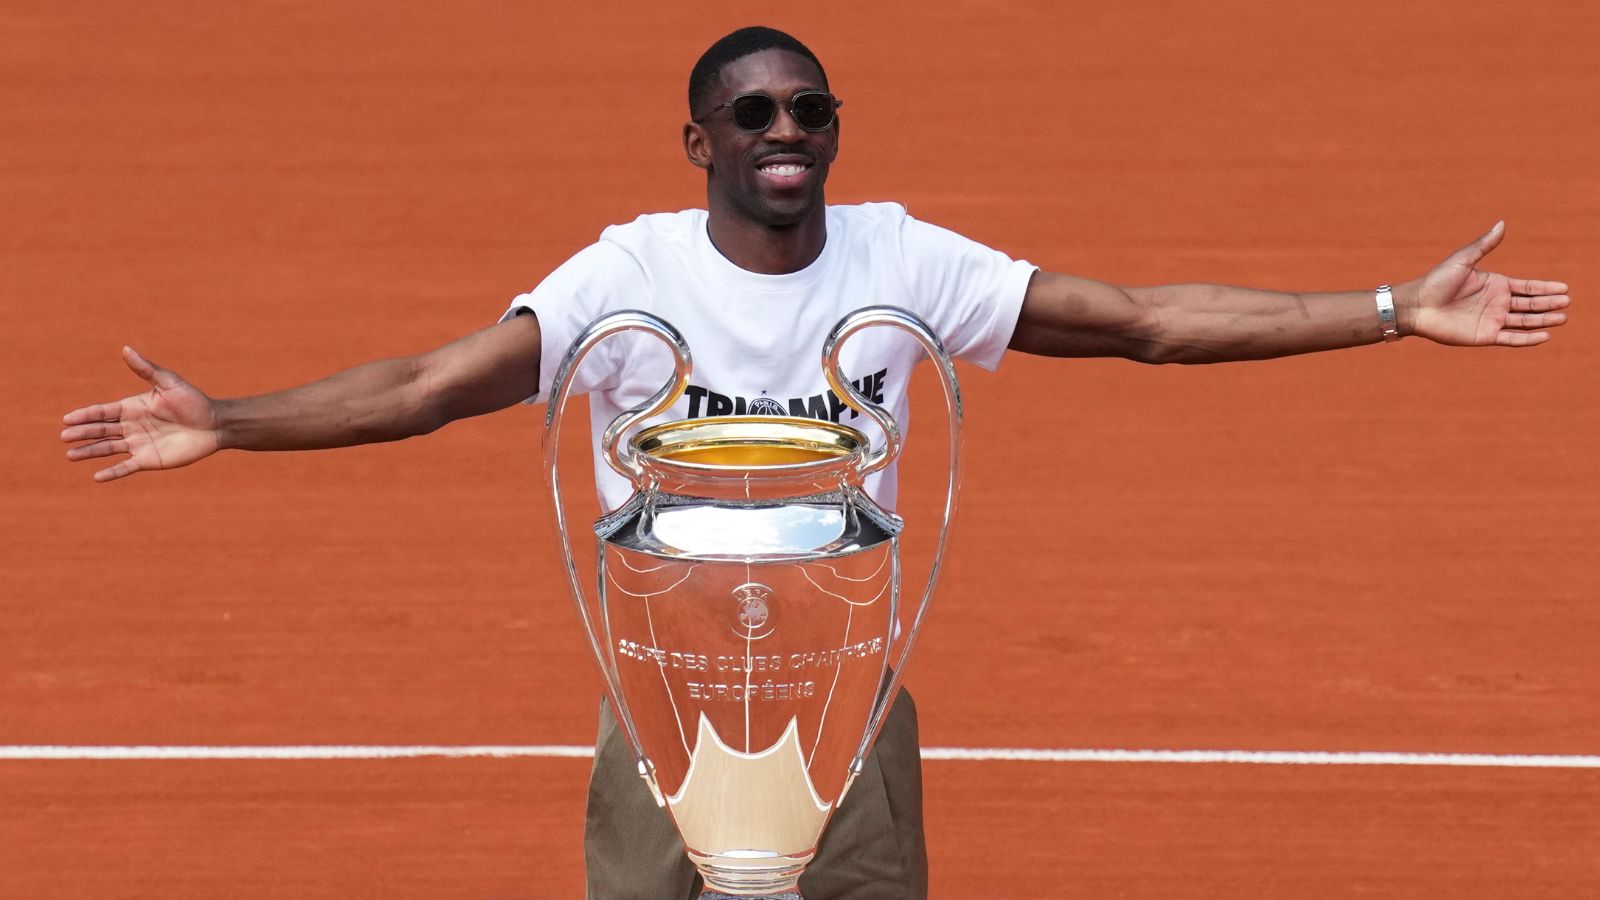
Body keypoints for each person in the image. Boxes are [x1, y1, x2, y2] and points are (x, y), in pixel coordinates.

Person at [61, 25, 1569, 900]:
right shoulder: (623, 273)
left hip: (851, 680)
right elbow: (423, 385)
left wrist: (1388, 311)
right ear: (699, 140)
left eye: (809, 110)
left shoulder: (903, 258)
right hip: (661, 686)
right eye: (754, 113)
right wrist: (232, 421)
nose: (788, 131)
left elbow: (1149, 322)